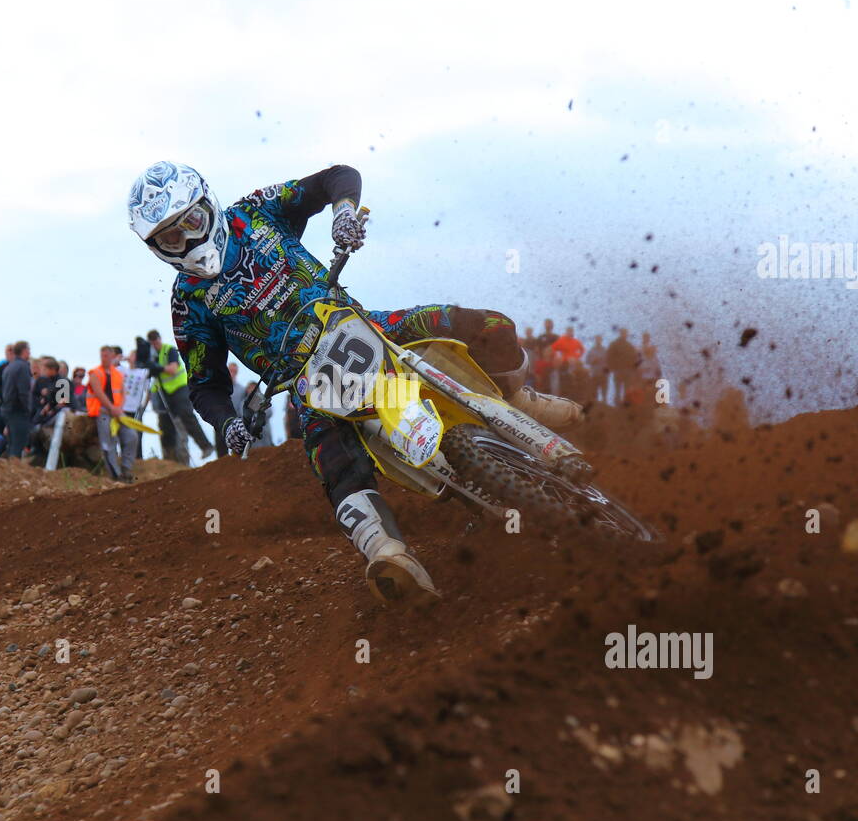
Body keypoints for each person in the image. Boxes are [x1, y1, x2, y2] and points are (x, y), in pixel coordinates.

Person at [128, 161, 581, 603]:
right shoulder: (189, 303)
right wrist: (227, 423)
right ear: (157, 246)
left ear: (208, 204)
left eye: (191, 221)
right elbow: (204, 385)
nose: (187, 238)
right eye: (171, 235)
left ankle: (516, 398)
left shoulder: (255, 214)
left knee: (490, 325)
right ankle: (388, 554)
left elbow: (334, 178)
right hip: (307, 386)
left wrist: (343, 212)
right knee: (336, 467)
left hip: (366, 325)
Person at [142, 328, 215, 460]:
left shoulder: (169, 350)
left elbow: (173, 369)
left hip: (179, 388)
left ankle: (205, 446)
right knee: (165, 423)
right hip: (164, 392)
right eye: (152, 343)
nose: (155, 345)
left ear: (159, 339)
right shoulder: (151, 356)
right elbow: (151, 380)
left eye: (156, 341)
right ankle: (168, 457)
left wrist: (158, 368)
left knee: (186, 414)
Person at [86, 345, 135, 481]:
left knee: (131, 435)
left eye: (106, 355)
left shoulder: (117, 374)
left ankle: (126, 469)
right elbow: (99, 393)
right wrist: (111, 408)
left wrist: (118, 408)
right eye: (102, 355)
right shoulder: (95, 372)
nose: (104, 358)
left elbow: (123, 393)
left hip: (117, 412)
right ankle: (115, 474)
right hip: (102, 412)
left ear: (113, 357)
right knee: (108, 442)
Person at [0, 340, 33, 458]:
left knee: (12, 443)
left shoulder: (9, 367)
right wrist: (27, 409)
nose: (30, 352)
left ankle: (10, 471)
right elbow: (23, 391)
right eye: (29, 350)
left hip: (7, 409)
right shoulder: (23, 366)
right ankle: (13, 471)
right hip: (18, 410)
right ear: (24, 351)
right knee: (18, 445)